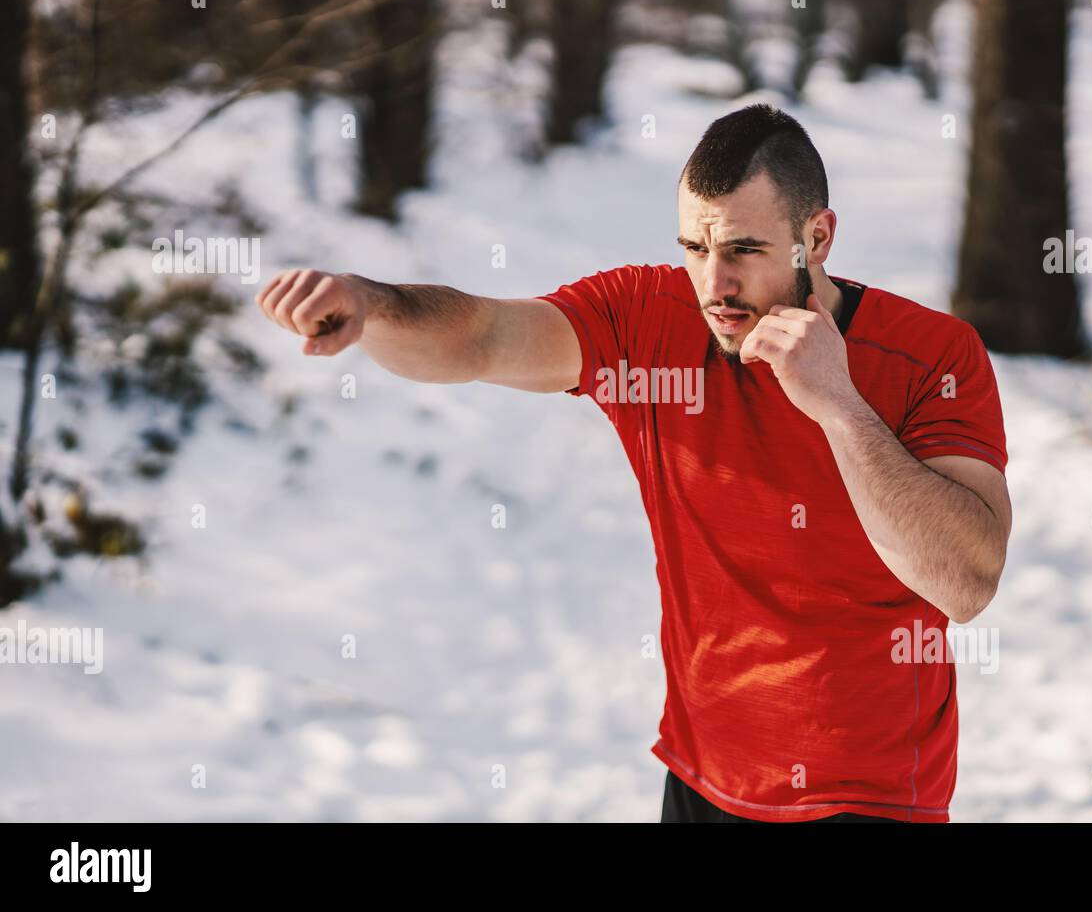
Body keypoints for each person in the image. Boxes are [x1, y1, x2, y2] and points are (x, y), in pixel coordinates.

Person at [255, 104, 1013, 823]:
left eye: (744, 250)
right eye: (694, 248)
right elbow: (481, 336)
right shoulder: (647, 322)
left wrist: (839, 405)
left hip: (869, 795)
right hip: (700, 777)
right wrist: (372, 304)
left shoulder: (931, 356)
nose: (714, 286)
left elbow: (965, 582)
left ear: (815, 237)